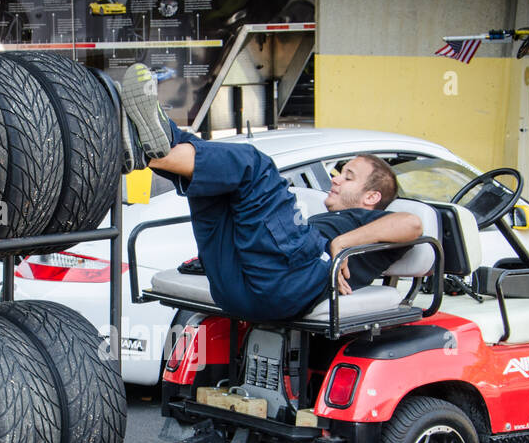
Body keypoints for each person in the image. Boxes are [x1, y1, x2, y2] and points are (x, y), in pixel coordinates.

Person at [118, 63, 421, 322]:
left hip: (291, 281)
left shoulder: (373, 225)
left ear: (372, 198)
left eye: (349, 176)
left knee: (254, 165)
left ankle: (145, 150)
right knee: (216, 180)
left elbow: (412, 224)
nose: (336, 178)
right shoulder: (327, 216)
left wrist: (342, 243)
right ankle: (144, 132)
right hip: (235, 287)